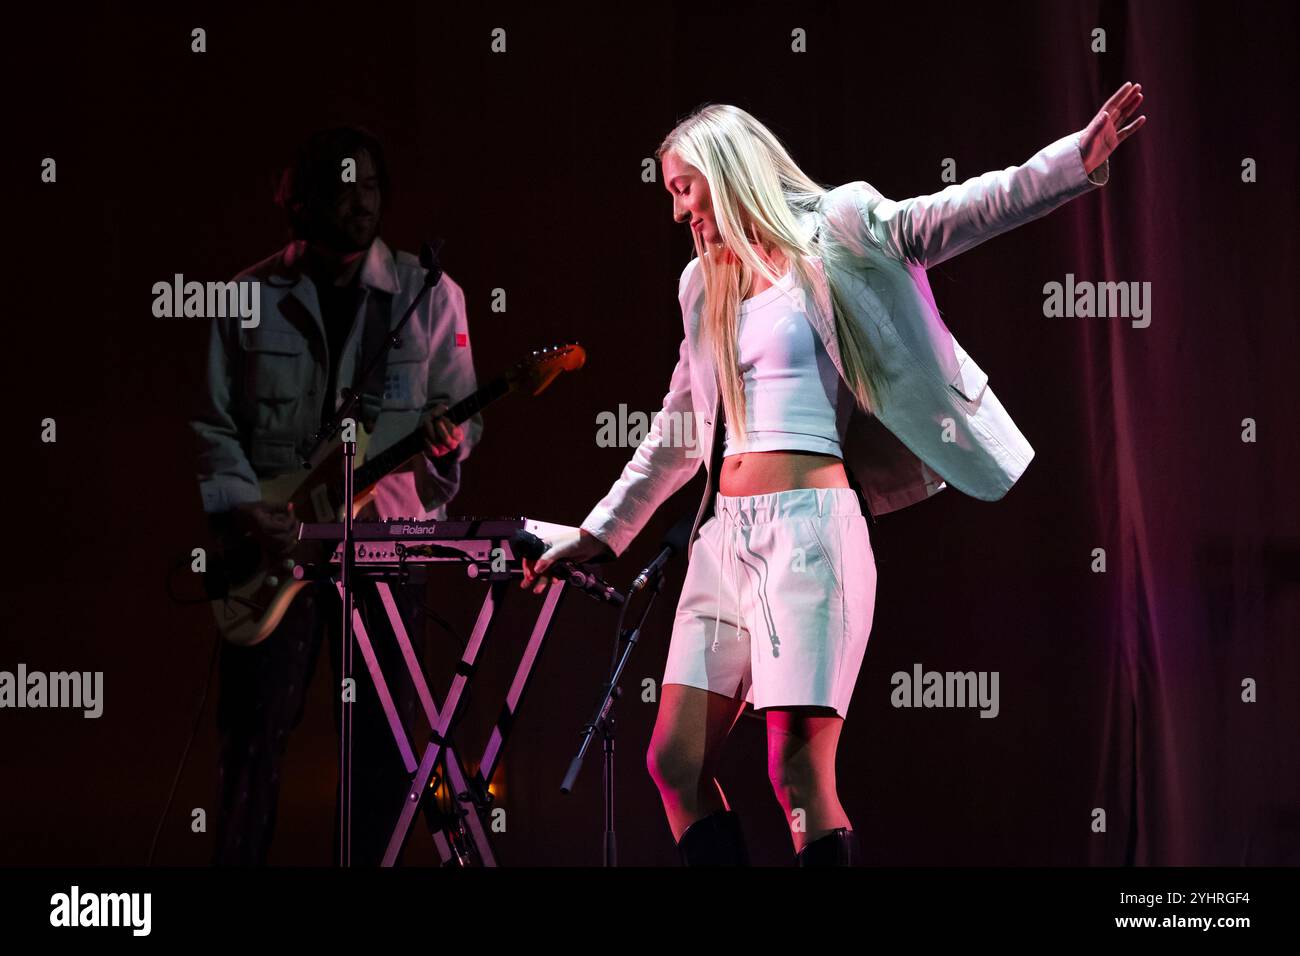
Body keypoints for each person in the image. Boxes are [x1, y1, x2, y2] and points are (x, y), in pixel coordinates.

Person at [521, 85, 1145, 866]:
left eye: (684, 188)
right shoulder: (701, 285)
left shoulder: (840, 229)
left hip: (809, 535)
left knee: (796, 775)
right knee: (675, 762)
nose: (678, 212)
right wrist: (598, 532)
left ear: (727, 170)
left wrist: (1069, 164)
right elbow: (678, 431)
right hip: (721, 544)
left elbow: (956, 212)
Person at [191, 126, 484, 865]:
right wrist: (244, 508)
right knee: (251, 739)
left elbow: (461, 414)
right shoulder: (245, 298)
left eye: (372, 187)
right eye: (344, 189)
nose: (362, 204)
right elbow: (212, 424)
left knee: (384, 747)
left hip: (384, 546)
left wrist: (447, 441)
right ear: (300, 201)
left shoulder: (430, 294)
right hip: (275, 546)